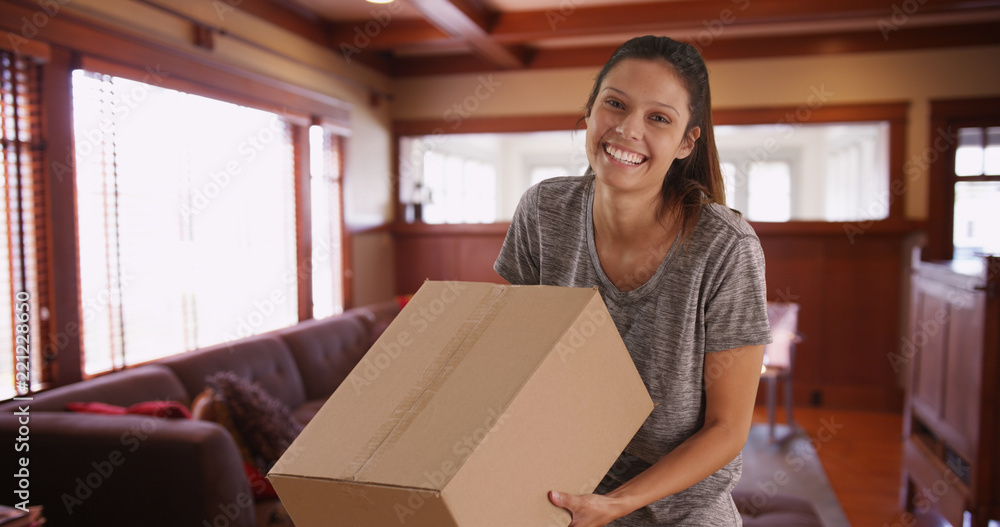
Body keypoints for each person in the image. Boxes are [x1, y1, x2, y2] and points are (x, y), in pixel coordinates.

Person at [493, 35, 771, 526]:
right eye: (614, 104)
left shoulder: (726, 248)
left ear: (687, 141)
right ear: (590, 111)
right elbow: (513, 360)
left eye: (658, 118)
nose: (626, 129)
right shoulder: (543, 211)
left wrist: (617, 504)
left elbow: (727, 429)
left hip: (679, 511)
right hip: (557, 492)